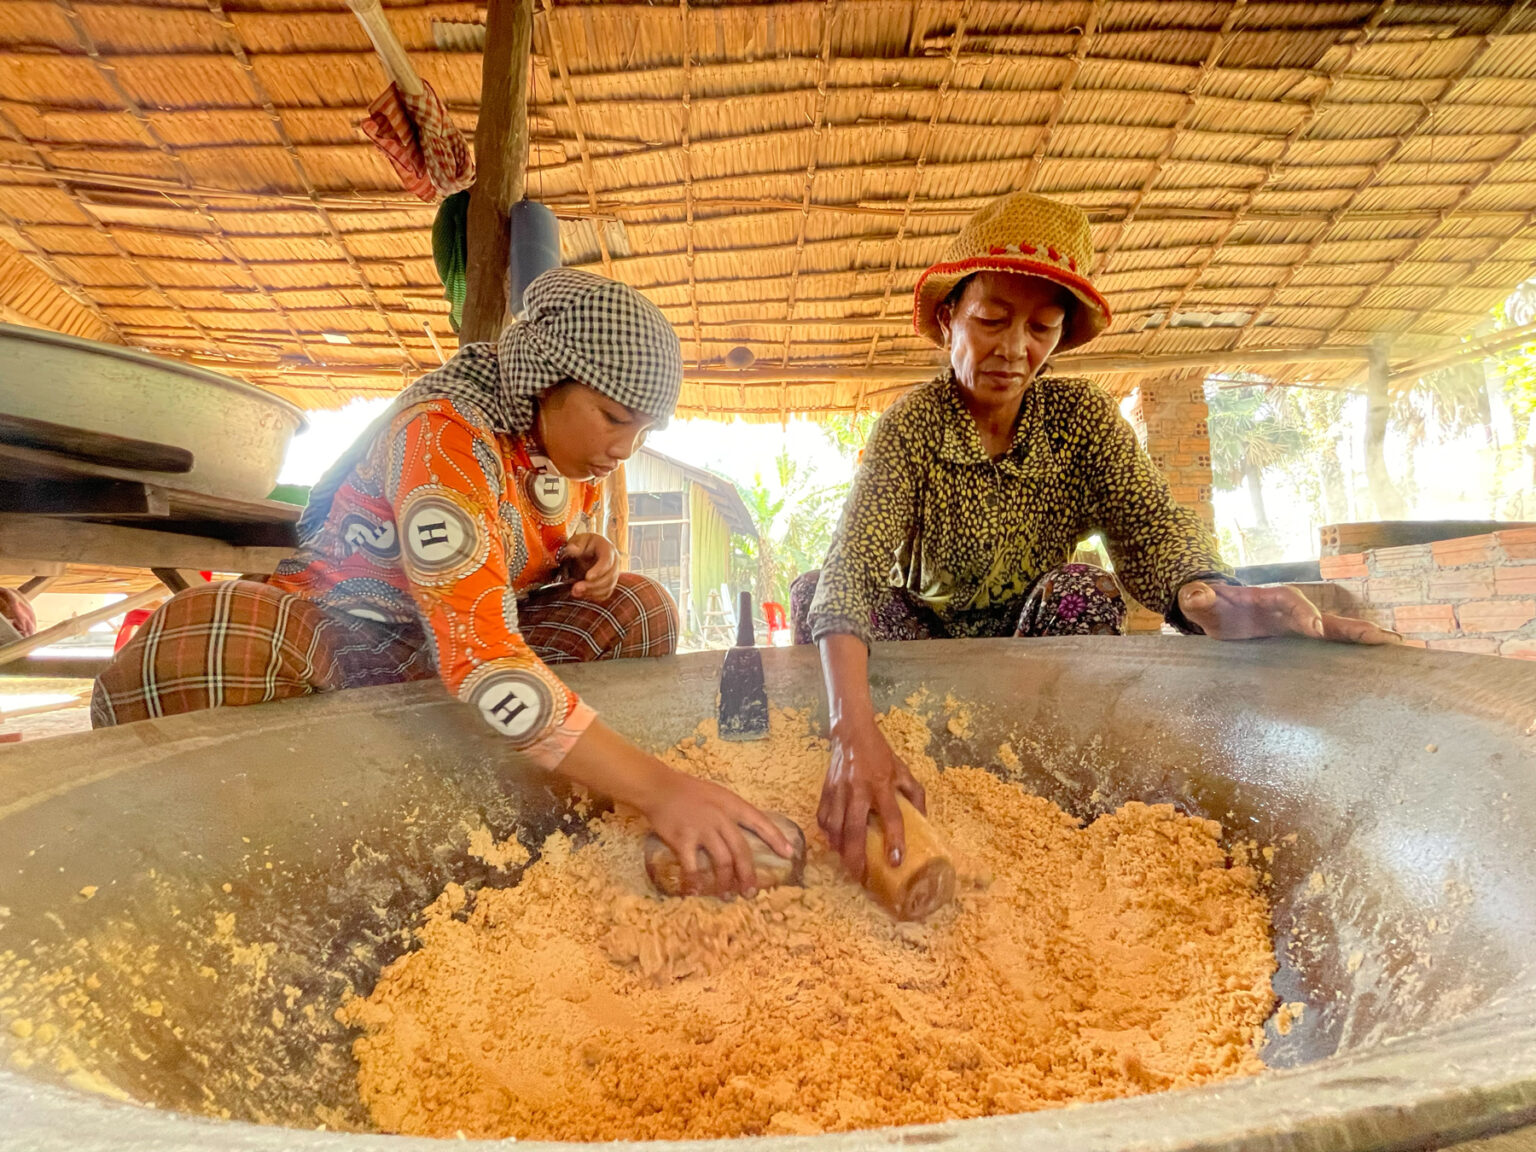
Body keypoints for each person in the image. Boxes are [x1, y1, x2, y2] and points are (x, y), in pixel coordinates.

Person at [93, 268, 790, 895]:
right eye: (614, 419)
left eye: (643, 431)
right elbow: (483, 656)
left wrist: (582, 556)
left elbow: (500, 572)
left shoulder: (546, 446)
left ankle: (531, 782)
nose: (624, 448)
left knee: (640, 607)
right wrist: (662, 790)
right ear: (545, 376)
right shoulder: (444, 435)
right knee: (214, 633)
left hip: (450, 657)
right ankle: (264, 836)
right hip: (352, 644)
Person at [799, 191, 1401, 881]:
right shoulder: (914, 427)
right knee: (820, 598)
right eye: (991, 318)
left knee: (1085, 590)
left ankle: (1050, 798)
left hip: (1032, 654)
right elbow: (854, 565)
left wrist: (1210, 595)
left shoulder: (1080, 422)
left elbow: (1151, 527)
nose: (1014, 348)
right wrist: (851, 728)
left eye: (1041, 330)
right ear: (947, 318)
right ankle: (878, 767)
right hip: (926, 645)